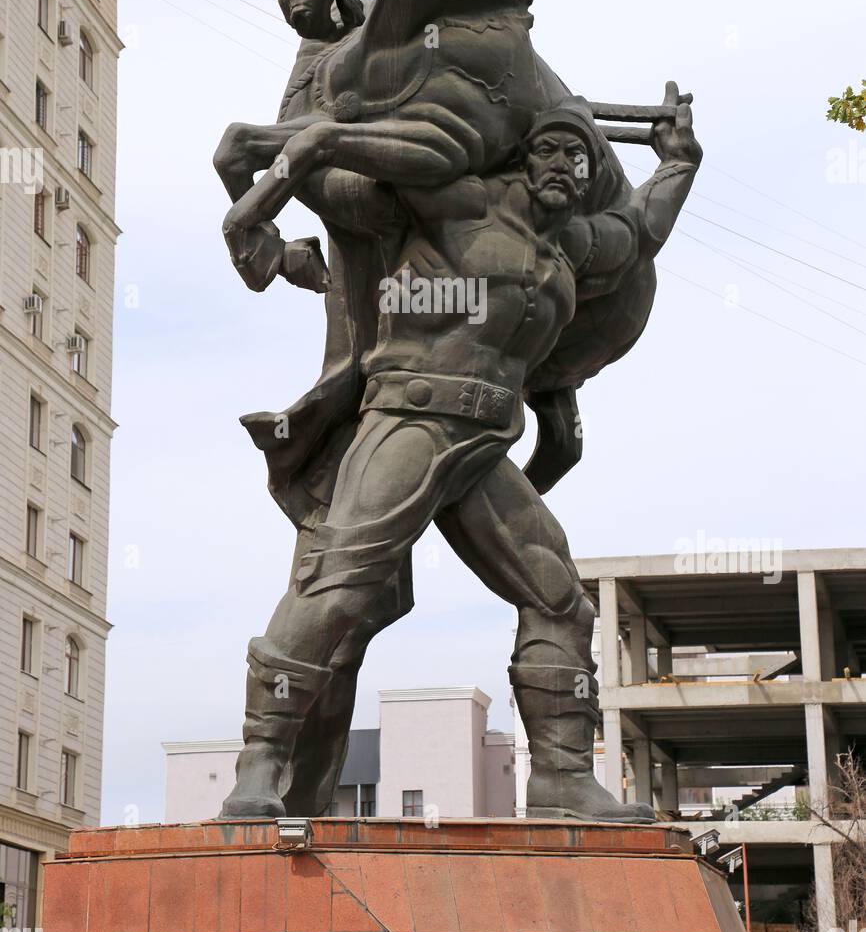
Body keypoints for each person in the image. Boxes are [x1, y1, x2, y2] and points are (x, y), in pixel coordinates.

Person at [221, 95, 702, 821]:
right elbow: (331, 152)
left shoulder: (568, 245)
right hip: (409, 419)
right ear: (523, 154)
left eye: (582, 158)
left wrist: (678, 161)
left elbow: (638, 233)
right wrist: (257, 218)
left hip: (483, 444)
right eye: (553, 151)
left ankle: (563, 780)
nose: (569, 168)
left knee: (559, 601)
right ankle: (260, 765)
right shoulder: (458, 196)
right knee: (339, 583)